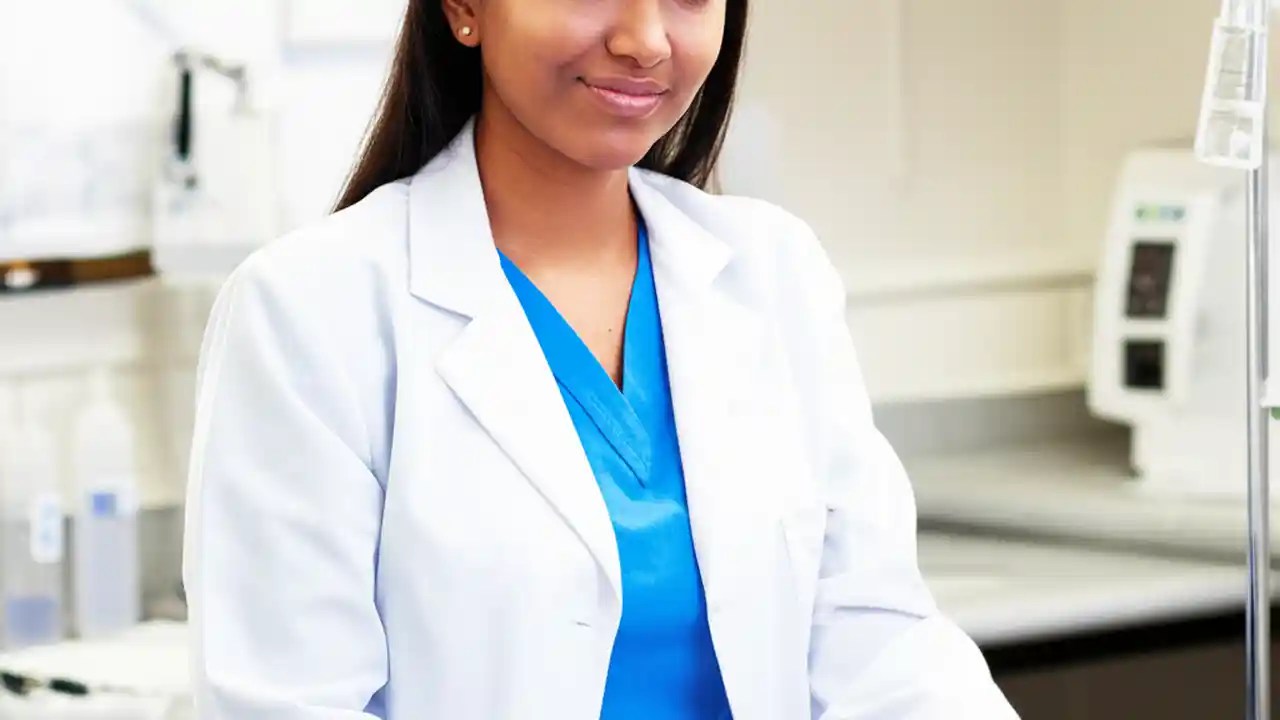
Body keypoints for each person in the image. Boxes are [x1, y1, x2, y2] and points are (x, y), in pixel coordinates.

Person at [182, 0, 1018, 718]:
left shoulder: (772, 272)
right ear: (465, 6)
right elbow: (291, 704)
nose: (646, 39)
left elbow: (879, 644)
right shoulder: (311, 309)